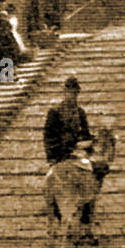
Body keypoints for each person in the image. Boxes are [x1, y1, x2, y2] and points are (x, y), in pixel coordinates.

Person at [43, 75, 99, 228]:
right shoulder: (55, 112)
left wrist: (90, 142)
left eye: (75, 93)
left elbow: (86, 134)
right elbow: (49, 137)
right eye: (70, 92)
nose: (73, 96)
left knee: (97, 172)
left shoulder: (80, 112)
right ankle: (56, 214)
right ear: (64, 92)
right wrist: (54, 156)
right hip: (61, 155)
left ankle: (86, 217)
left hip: (78, 156)